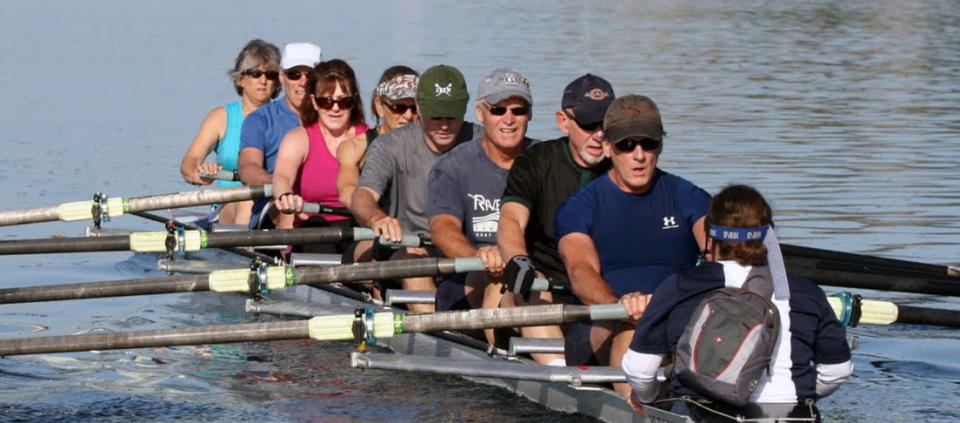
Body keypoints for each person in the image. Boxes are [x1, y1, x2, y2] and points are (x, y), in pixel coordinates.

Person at [622, 185, 853, 421]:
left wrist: (649, 401)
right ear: (768, 236)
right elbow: (836, 371)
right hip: (796, 416)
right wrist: (801, 396)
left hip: (701, 413)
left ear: (710, 237)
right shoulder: (808, 293)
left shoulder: (681, 285)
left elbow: (639, 369)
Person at [554, 94, 711, 396]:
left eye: (648, 144)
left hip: (674, 317)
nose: (639, 155)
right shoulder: (580, 207)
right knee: (636, 329)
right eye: (627, 145)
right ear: (609, 148)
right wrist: (619, 304)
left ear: (660, 147)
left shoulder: (689, 197)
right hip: (602, 324)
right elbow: (580, 271)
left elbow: (718, 256)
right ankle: (633, 409)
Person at [427, 69, 561, 364]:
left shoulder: (547, 160)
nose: (509, 119)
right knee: (505, 278)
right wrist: (478, 256)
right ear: (480, 112)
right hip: (469, 279)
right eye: (498, 109)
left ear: (529, 115)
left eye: (518, 110)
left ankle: (562, 365)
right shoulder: (453, 166)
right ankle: (536, 366)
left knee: (526, 277)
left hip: (534, 276)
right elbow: (442, 229)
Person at [350, 64, 482, 313]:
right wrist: (378, 217)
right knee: (413, 256)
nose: (444, 125)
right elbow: (362, 196)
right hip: (407, 246)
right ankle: (437, 337)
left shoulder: (483, 141)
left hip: (465, 249)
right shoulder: (390, 145)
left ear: (465, 108)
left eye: (451, 116)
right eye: (436, 116)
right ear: (420, 109)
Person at [497, 73, 615, 299]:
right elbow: (511, 218)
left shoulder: (623, 165)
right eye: (588, 124)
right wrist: (517, 258)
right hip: (544, 282)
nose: (599, 135)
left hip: (602, 285)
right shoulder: (536, 161)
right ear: (563, 122)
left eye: (606, 125)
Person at [179, 39, 280, 225]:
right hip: (231, 205)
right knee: (248, 202)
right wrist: (201, 174)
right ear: (241, 79)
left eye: (271, 74)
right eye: (255, 73)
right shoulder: (221, 118)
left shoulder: (286, 118)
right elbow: (188, 164)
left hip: (276, 202)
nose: (263, 80)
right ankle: (244, 252)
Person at [271, 59, 368, 236]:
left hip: (360, 226)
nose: (335, 109)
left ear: (353, 101)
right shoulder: (298, 139)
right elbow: (282, 176)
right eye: (326, 101)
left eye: (343, 101)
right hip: (313, 229)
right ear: (314, 102)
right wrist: (285, 196)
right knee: (316, 229)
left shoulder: (370, 138)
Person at [337, 66, 419, 266]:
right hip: (369, 235)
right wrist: (377, 218)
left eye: (415, 108)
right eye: (398, 107)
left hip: (418, 236)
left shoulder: (433, 147)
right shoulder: (355, 147)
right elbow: (348, 191)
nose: (408, 115)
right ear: (380, 105)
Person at [237, 42, 323, 228]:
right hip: (275, 203)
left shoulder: (333, 117)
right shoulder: (259, 119)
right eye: (294, 74)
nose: (303, 82)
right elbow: (248, 168)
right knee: (288, 211)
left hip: (323, 204)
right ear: (282, 77)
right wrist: (282, 185)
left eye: (310, 75)